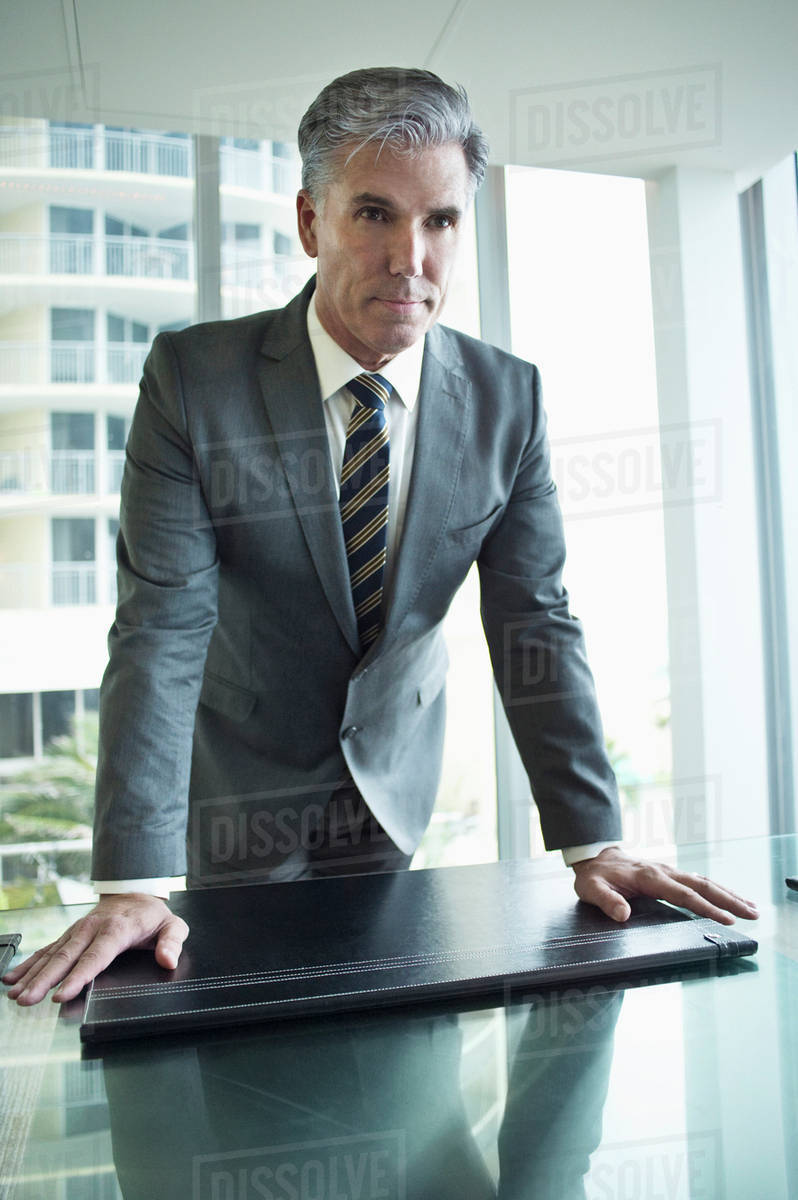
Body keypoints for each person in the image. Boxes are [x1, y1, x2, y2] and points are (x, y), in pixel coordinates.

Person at [5, 68, 758, 1007]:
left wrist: (592, 841)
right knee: (238, 1046)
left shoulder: (507, 400)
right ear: (310, 222)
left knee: (388, 1044)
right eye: (374, 214)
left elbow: (535, 620)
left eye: (440, 220)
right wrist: (132, 882)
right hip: (237, 791)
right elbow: (161, 630)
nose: (411, 257)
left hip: (395, 786)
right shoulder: (195, 382)